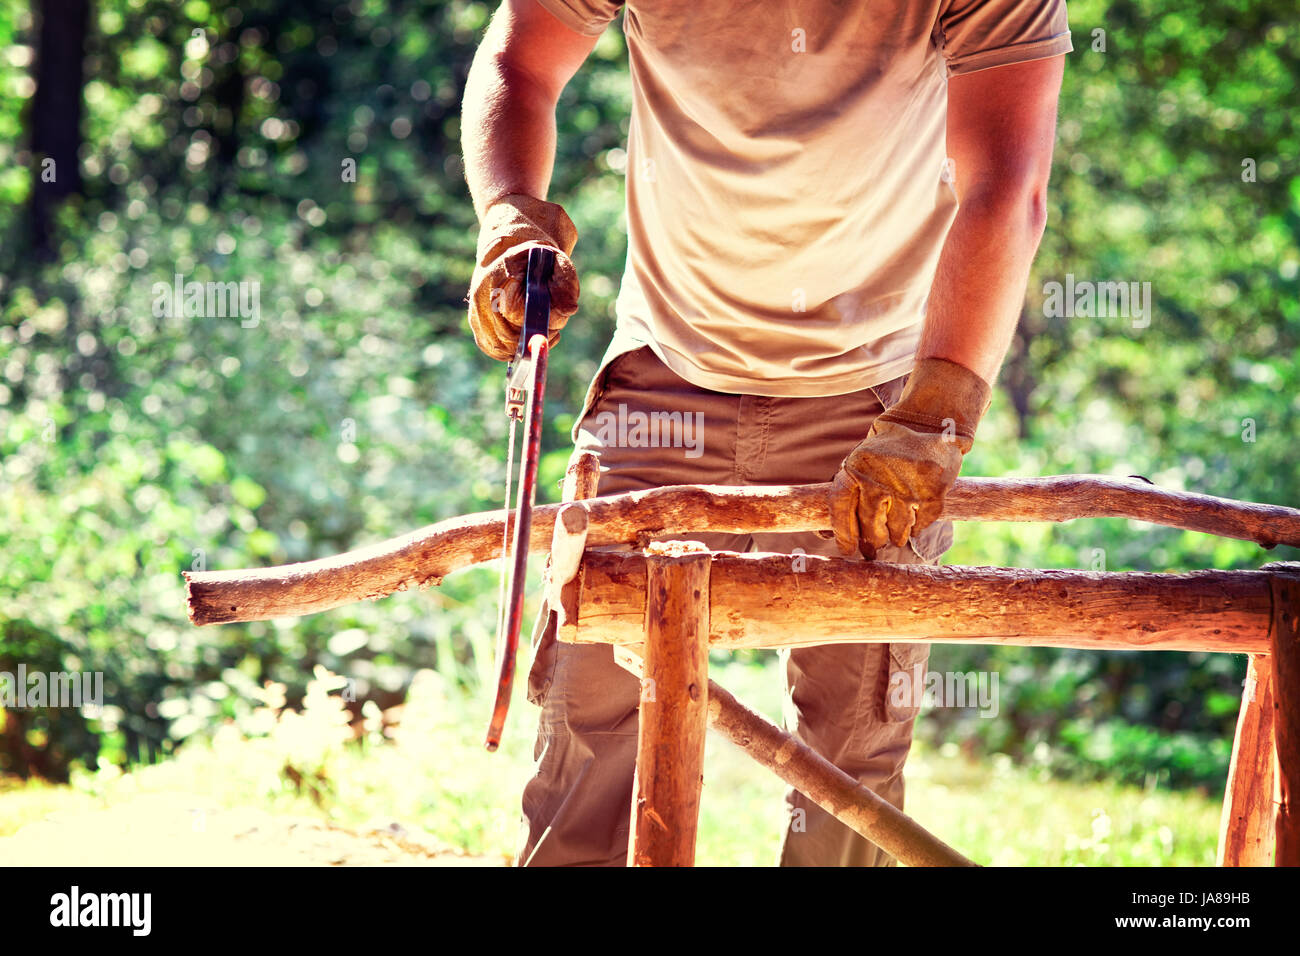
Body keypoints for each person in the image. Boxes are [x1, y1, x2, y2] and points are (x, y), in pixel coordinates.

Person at [461, 0, 1071, 866]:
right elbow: (521, 61)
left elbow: (1008, 184)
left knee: (851, 762)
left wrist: (937, 410)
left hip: (878, 404)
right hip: (663, 378)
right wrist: (509, 215)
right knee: (589, 719)